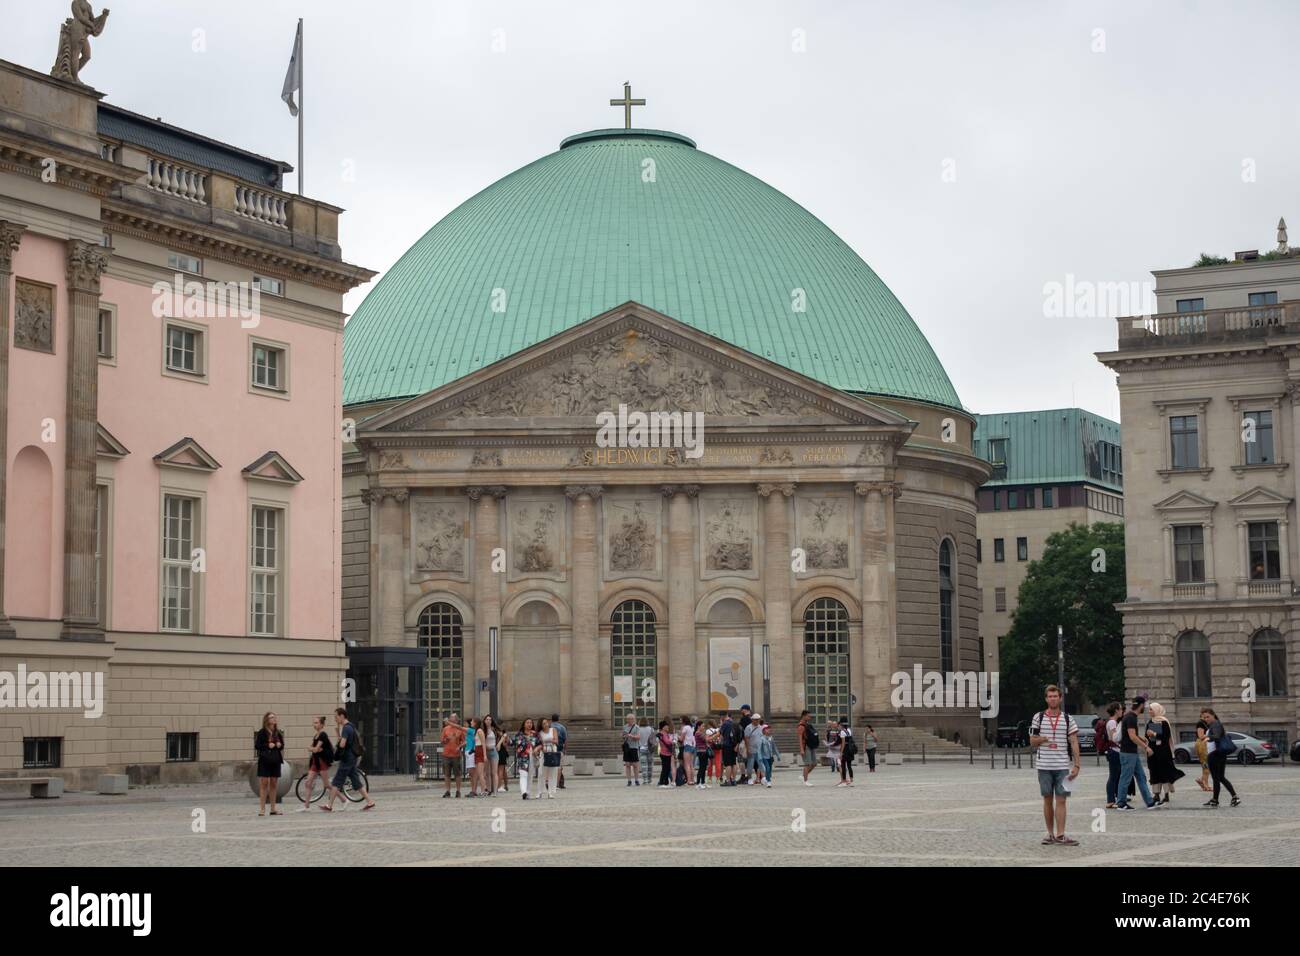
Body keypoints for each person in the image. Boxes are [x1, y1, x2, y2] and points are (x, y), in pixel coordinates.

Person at [1028, 685, 1081, 845]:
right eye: (1050, 696)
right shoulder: (1038, 717)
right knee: (1047, 799)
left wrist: (1077, 765)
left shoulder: (1067, 718)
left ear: (1060, 698)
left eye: (1055, 696)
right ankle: (1050, 834)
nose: (1053, 699)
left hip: (1062, 766)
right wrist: (1043, 739)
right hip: (1044, 765)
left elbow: (1074, 741)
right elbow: (1032, 741)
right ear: (1046, 699)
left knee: (1062, 800)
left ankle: (1061, 834)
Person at [322, 707, 375, 812]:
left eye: (336, 717)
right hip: (352, 758)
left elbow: (342, 744)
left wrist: (337, 749)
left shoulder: (346, 728)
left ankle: (329, 805)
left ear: (342, 716)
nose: (335, 719)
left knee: (336, 781)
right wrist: (338, 733)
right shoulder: (351, 726)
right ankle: (370, 802)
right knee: (356, 782)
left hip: (347, 759)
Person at [1115, 697, 1159, 811]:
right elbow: (1132, 736)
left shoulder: (1130, 717)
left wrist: (1141, 738)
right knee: (1125, 778)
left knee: (1141, 777)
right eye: (1144, 705)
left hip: (1132, 753)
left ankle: (1149, 802)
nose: (1145, 707)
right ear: (1140, 705)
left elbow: (1131, 735)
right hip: (1128, 753)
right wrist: (1146, 747)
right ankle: (1121, 803)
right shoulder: (1130, 718)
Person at [1144, 701, 1184, 804]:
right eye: (1149, 709)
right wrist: (1148, 734)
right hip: (1153, 751)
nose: (1149, 711)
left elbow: (1165, 736)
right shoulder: (1150, 722)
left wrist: (1154, 733)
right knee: (1154, 772)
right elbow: (1146, 735)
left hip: (1163, 751)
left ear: (1157, 710)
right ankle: (1156, 794)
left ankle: (1166, 795)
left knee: (1164, 772)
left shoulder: (1164, 722)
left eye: (1151, 709)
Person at [1201, 708, 1240, 808]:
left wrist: (1208, 738)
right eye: (1204, 717)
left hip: (1215, 754)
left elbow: (1217, 736)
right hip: (1219, 754)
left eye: (1207, 716)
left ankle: (1215, 800)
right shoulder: (1215, 724)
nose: (1206, 719)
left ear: (1213, 715)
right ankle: (1234, 797)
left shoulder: (1215, 724)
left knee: (1216, 778)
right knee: (1220, 777)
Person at [296, 715, 334, 812]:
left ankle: (344, 799)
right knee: (308, 783)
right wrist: (314, 749)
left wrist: (312, 749)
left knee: (327, 785)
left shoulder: (322, 735)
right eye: (314, 722)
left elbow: (316, 749)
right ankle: (306, 806)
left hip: (322, 762)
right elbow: (316, 749)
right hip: (315, 761)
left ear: (322, 725)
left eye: (316, 723)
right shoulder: (316, 735)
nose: (314, 724)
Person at [254, 711, 285, 816]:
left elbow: (282, 745)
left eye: (274, 717)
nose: (274, 719)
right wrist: (268, 745)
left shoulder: (277, 732)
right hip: (265, 760)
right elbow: (257, 746)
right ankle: (262, 809)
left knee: (274, 783)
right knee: (264, 783)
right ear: (267, 720)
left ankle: (273, 808)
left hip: (275, 760)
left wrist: (279, 745)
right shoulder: (262, 732)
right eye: (272, 717)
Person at [1100, 702, 1123, 808]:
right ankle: (1110, 800)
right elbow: (1115, 737)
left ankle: (1116, 798)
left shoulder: (1112, 722)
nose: (1122, 711)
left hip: (1114, 751)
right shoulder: (1113, 722)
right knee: (1113, 776)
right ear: (1116, 711)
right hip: (1114, 751)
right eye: (1121, 709)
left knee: (1116, 776)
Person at [440, 713, 466, 799]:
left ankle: (458, 791)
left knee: (457, 774)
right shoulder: (445, 729)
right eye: (450, 717)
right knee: (447, 774)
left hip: (456, 755)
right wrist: (445, 740)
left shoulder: (460, 729)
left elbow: (465, 741)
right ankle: (448, 791)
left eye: (453, 718)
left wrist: (459, 747)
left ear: (457, 720)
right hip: (446, 754)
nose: (451, 719)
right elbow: (442, 741)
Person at [513, 718, 538, 800]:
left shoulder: (535, 734)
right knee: (523, 775)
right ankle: (523, 792)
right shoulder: (519, 735)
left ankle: (528, 793)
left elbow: (540, 743)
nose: (529, 724)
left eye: (531, 722)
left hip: (532, 756)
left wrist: (537, 749)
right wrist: (505, 739)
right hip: (522, 757)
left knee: (530, 776)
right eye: (527, 722)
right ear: (524, 724)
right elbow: (511, 742)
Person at [538, 717, 561, 798]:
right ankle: (540, 791)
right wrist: (549, 741)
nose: (545, 724)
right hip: (544, 752)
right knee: (541, 772)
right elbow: (540, 743)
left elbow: (556, 741)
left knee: (552, 773)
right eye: (543, 723)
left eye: (546, 722)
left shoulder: (553, 730)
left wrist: (548, 741)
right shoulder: (540, 733)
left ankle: (551, 792)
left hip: (552, 751)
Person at [481, 715, 502, 796]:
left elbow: (504, 735)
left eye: (490, 719)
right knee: (487, 772)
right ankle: (489, 789)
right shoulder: (482, 730)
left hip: (493, 751)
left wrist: (499, 744)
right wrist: (486, 747)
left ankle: (495, 791)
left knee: (494, 772)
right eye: (487, 719)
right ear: (484, 721)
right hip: (485, 751)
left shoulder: (494, 729)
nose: (488, 721)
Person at [797, 710, 818, 786]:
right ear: (804, 716)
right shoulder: (801, 726)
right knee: (807, 764)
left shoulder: (807, 724)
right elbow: (800, 738)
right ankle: (805, 781)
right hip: (806, 747)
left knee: (814, 763)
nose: (810, 717)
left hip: (811, 745)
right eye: (808, 716)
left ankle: (803, 776)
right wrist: (802, 749)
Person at [744, 713, 764, 785]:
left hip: (759, 750)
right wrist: (748, 748)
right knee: (750, 765)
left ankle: (763, 778)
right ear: (752, 720)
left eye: (758, 720)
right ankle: (749, 778)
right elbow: (746, 738)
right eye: (756, 720)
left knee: (761, 764)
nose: (757, 721)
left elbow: (762, 737)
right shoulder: (748, 727)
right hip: (751, 749)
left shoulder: (761, 727)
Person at [719, 711, 739, 786]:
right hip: (734, 745)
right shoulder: (734, 723)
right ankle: (733, 780)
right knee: (734, 763)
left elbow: (720, 735)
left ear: (722, 716)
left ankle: (728, 780)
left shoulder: (725, 724)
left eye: (720, 717)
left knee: (728, 764)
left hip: (727, 745)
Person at [622, 712, 642, 786]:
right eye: (628, 719)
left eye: (630, 719)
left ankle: (636, 780)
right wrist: (624, 736)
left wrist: (631, 736)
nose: (629, 720)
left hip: (634, 747)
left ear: (633, 719)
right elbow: (622, 736)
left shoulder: (637, 727)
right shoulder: (625, 727)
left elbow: (638, 737)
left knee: (635, 765)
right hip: (627, 747)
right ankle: (629, 780)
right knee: (627, 764)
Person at [1194, 715, 1212, 792]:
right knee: (1206, 765)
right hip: (1202, 745)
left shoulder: (1204, 723)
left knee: (1207, 766)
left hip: (1204, 744)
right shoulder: (1200, 723)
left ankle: (1202, 781)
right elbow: (1201, 736)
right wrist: (1212, 735)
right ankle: (1205, 784)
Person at [551, 714, 568, 789]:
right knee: (559, 767)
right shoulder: (562, 727)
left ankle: (551, 783)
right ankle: (557, 784)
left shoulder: (548, 726)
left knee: (550, 767)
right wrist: (565, 749)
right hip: (559, 749)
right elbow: (565, 739)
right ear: (558, 719)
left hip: (549, 749)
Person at [464, 717, 480, 798]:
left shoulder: (470, 730)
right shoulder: (471, 732)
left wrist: (450, 723)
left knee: (472, 772)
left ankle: (474, 790)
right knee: (471, 773)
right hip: (468, 751)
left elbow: (459, 727)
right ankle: (473, 790)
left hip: (471, 752)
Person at [837, 718, 856, 787]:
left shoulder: (842, 732)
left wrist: (841, 753)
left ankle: (844, 781)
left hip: (846, 749)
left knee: (843, 765)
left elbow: (843, 743)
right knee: (849, 765)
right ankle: (851, 779)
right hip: (850, 749)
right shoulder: (849, 730)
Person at [737, 705, 753, 783]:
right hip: (750, 741)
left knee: (741, 759)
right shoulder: (751, 719)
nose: (741, 711)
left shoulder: (744, 719)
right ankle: (750, 777)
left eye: (742, 710)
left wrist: (738, 741)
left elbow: (740, 731)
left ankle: (743, 776)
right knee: (749, 759)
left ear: (745, 710)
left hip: (743, 741)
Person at [679, 715, 696, 787]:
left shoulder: (685, 727)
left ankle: (689, 780)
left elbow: (681, 739)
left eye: (680, 719)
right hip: (692, 746)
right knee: (691, 764)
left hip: (687, 746)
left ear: (683, 720)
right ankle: (692, 779)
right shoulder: (691, 727)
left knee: (687, 765)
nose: (679, 721)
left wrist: (677, 736)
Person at [657, 719, 675, 788]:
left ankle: (665, 782)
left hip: (667, 753)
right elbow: (667, 742)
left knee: (667, 768)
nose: (668, 728)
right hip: (664, 753)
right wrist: (672, 741)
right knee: (665, 768)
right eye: (667, 727)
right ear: (663, 727)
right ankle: (662, 782)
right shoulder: (662, 734)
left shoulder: (665, 733)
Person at [694, 722, 710, 789]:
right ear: (698, 726)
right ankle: (698, 783)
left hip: (704, 751)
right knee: (701, 768)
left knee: (704, 768)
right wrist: (715, 735)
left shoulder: (701, 733)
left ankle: (703, 782)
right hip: (701, 752)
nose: (703, 727)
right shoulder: (698, 733)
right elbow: (706, 739)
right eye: (702, 726)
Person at [496, 723, 511, 793]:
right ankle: (501, 785)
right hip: (502, 752)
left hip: (498, 752)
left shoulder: (496, 733)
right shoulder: (504, 734)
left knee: (501, 770)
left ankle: (501, 785)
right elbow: (505, 745)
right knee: (502, 770)